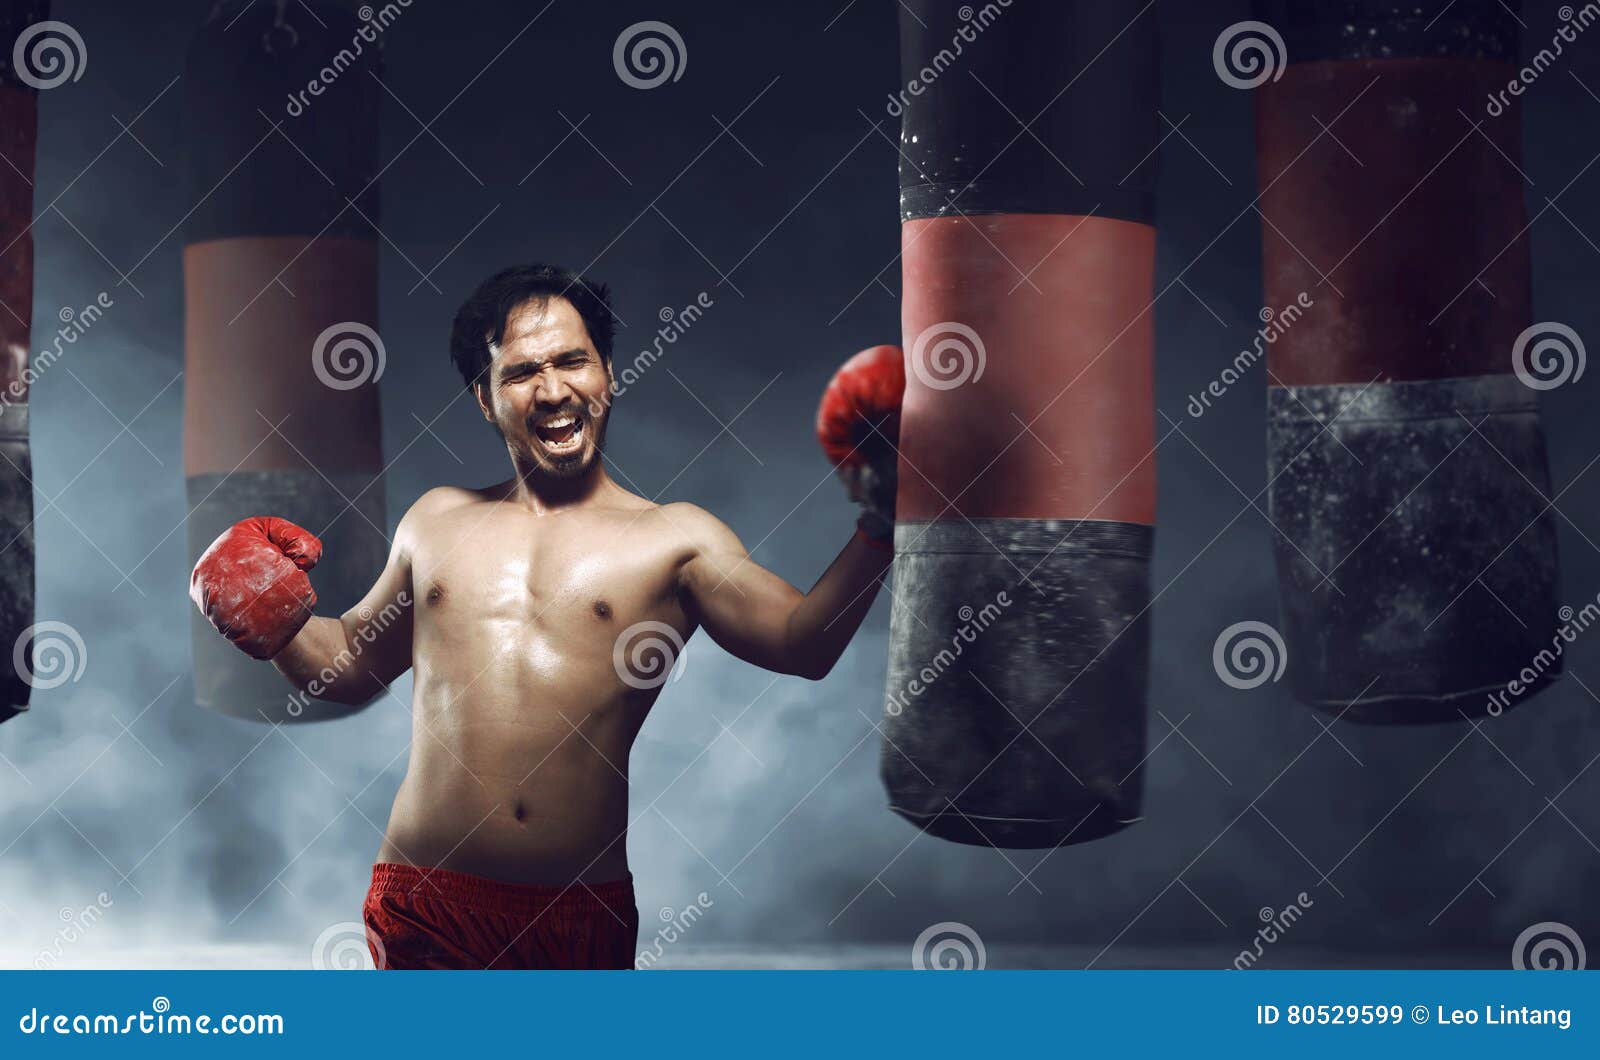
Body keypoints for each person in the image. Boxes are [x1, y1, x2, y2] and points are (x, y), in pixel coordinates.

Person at [189, 263, 904, 969]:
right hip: (425, 903)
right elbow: (351, 664)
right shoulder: (436, 522)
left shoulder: (675, 539)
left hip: (574, 918)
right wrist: (277, 623)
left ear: (609, 373)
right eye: (523, 372)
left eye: (572, 362)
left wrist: (880, 523)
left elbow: (802, 643)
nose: (554, 390)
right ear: (485, 398)